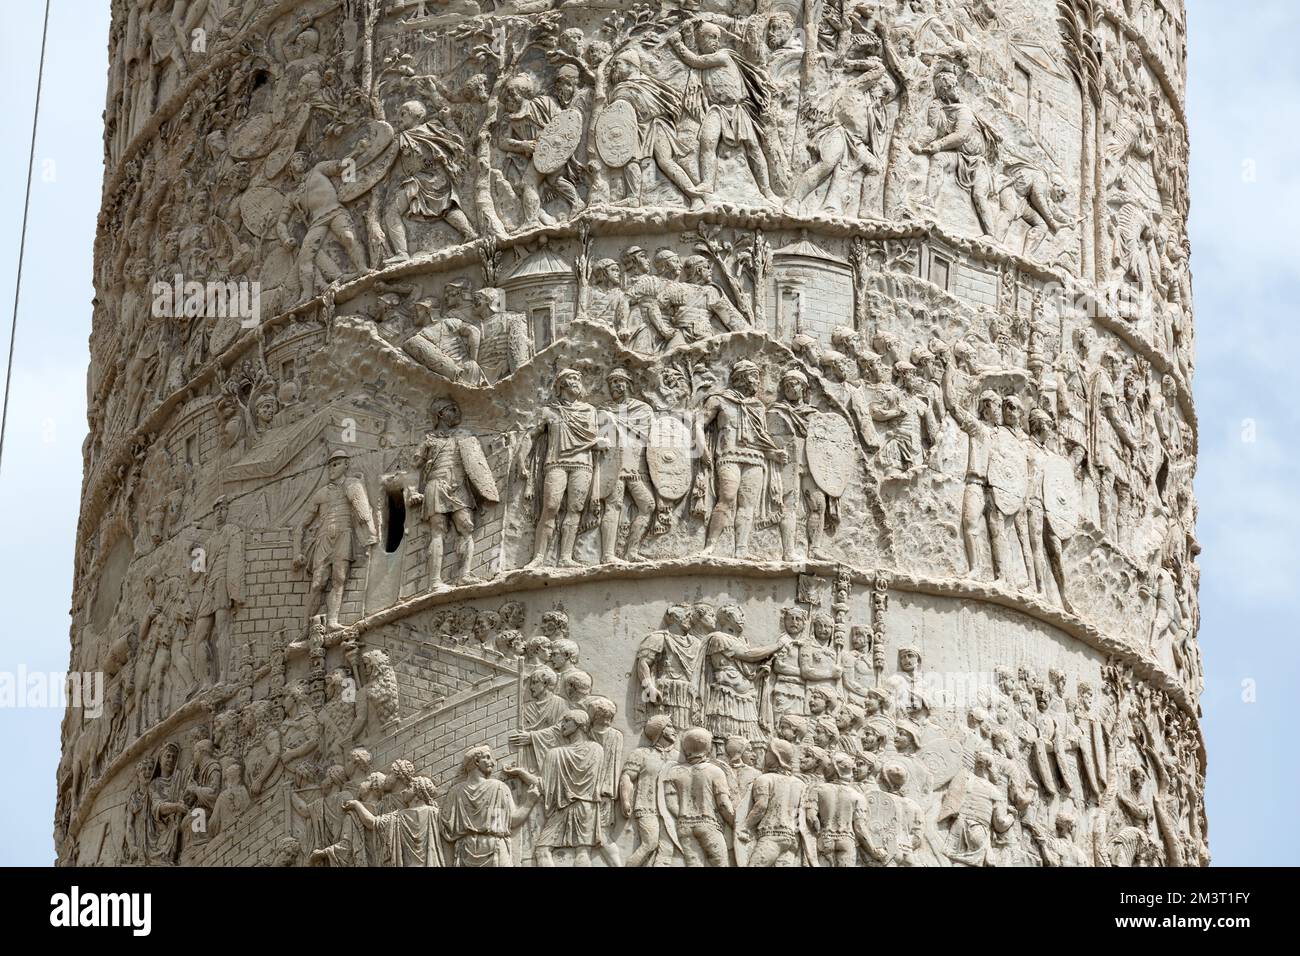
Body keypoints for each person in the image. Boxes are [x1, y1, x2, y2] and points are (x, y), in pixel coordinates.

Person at [516, 369, 610, 568]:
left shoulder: (589, 410)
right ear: (561, 385)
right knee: (550, 507)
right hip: (556, 462)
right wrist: (521, 460)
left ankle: (566, 556)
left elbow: (593, 438)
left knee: (575, 508)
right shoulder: (549, 411)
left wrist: (599, 442)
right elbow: (531, 435)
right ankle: (539, 557)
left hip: (582, 463)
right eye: (571, 378)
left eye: (578, 378)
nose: (576, 382)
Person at [696, 360, 788, 557]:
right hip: (729, 455)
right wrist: (702, 448)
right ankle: (710, 546)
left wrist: (775, 454)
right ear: (741, 378)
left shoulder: (757, 406)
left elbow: (761, 438)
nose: (758, 382)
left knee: (748, 505)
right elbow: (698, 423)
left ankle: (741, 550)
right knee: (727, 498)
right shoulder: (719, 400)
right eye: (754, 376)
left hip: (755, 458)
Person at [293, 450, 378, 630]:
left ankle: (332, 621)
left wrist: (370, 535)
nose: (332, 468)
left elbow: (364, 513)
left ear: (346, 464)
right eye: (330, 465)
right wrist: (296, 552)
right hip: (324, 539)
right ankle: (305, 629)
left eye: (336, 464)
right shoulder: (321, 493)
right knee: (318, 583)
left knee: (339, 578)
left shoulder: (353, 485)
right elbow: (301, 526)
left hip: (344, 535)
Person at [440, 746, 538, 867]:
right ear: (476, 762)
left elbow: (445, 828)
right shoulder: (498, 787)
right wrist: (530, 801)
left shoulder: (455, 792)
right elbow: (512, 821)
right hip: (494, 847)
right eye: (487, 757)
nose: (493, 762)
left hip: (465, 849)